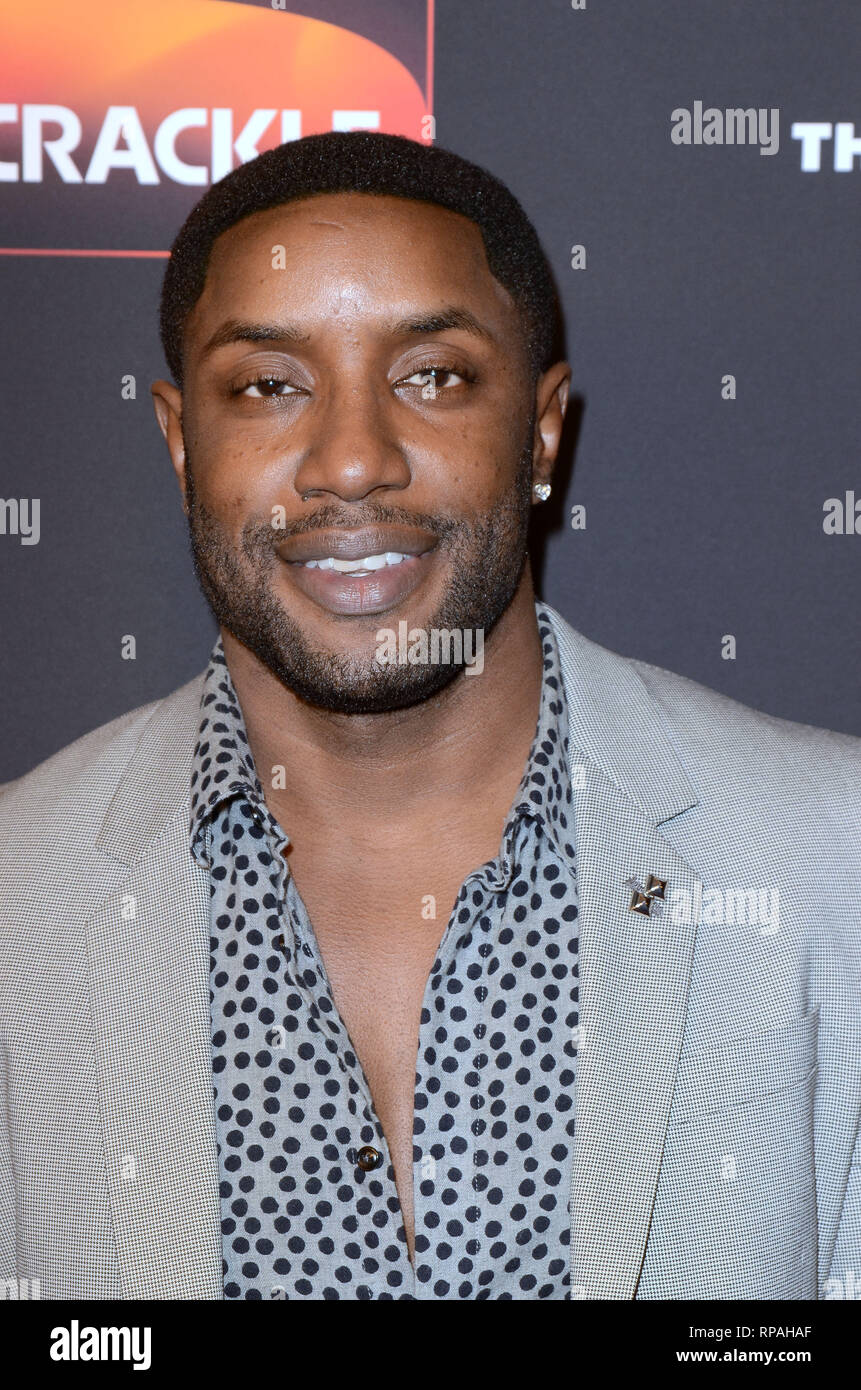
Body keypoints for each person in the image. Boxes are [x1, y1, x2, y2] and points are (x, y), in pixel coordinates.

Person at [1, 131, 858, 1302]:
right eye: (268, 385)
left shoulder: (830, 860)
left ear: (544, 429)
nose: (352, 462)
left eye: (433, 376)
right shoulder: (18, 899)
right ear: (179, 438)